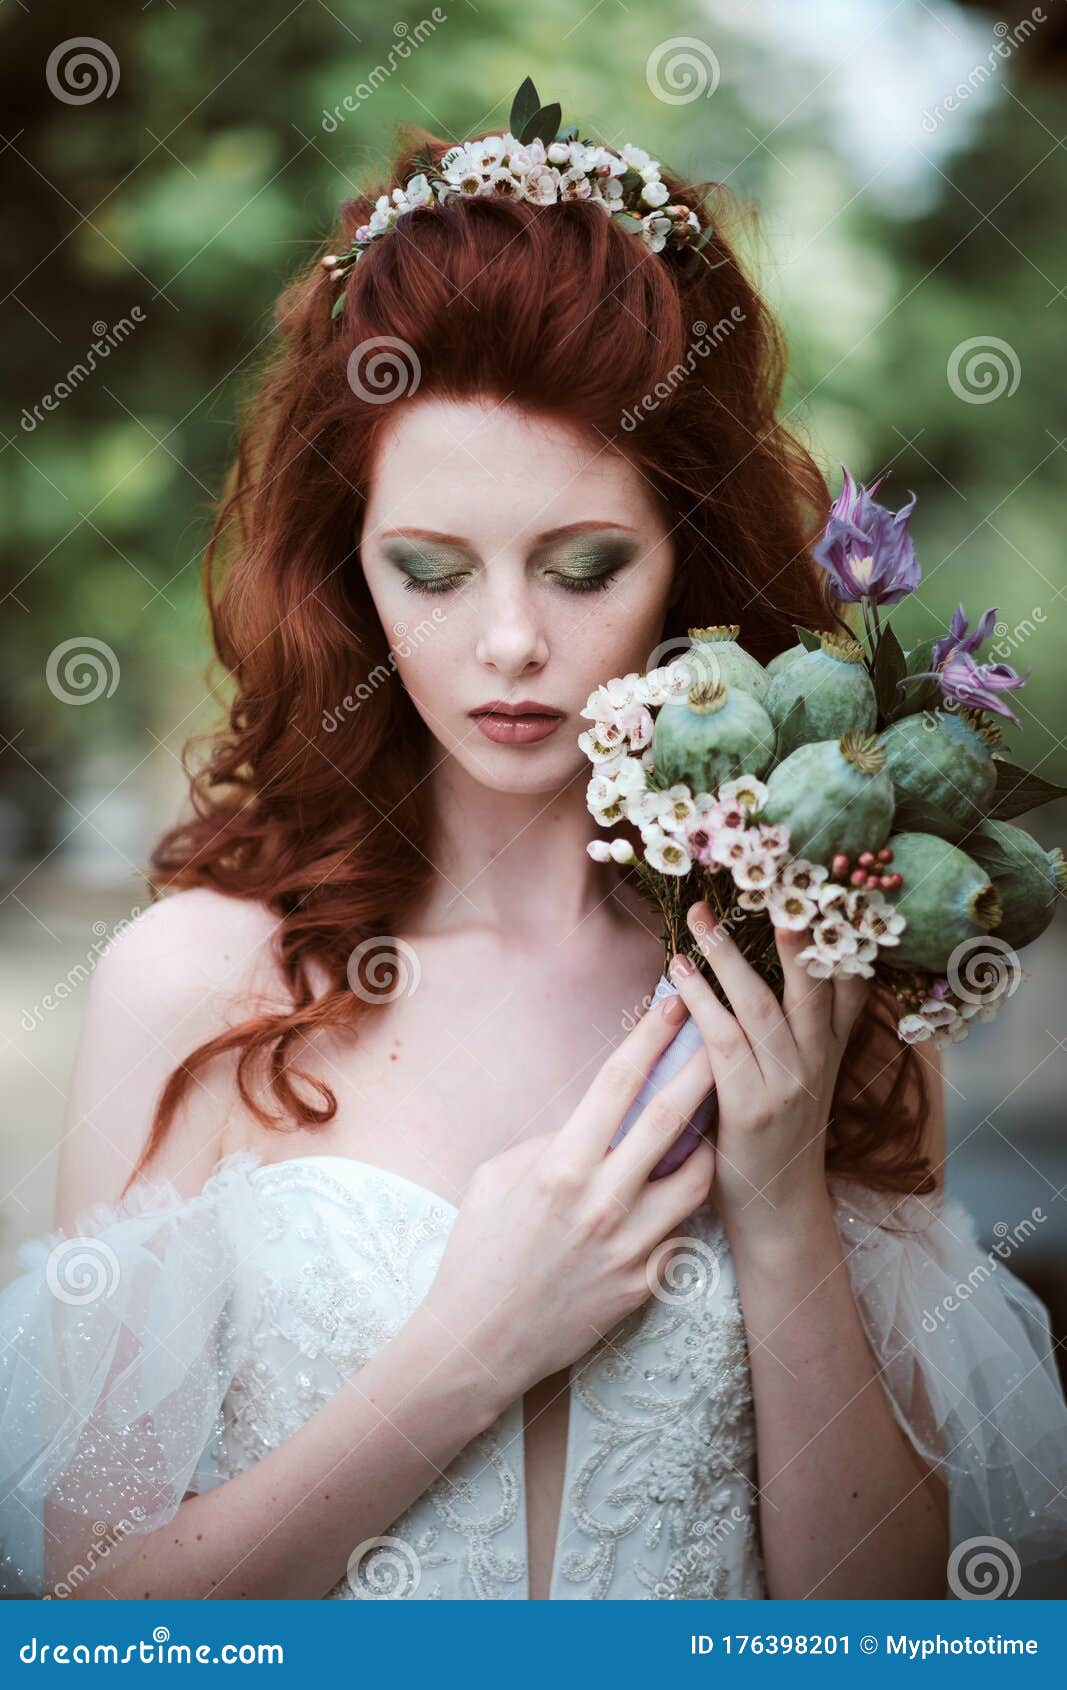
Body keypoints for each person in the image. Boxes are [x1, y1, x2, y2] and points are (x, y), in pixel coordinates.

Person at [3, 108, 1066, 1603]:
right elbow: (91, 1632)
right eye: (431, 571)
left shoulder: (821, 975)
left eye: (583, 566)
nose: (510, 642)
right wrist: (467, 1351)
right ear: (346, 572)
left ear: (687, 561)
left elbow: (878, 1634)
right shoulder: (190, 985)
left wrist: (775, 1199)